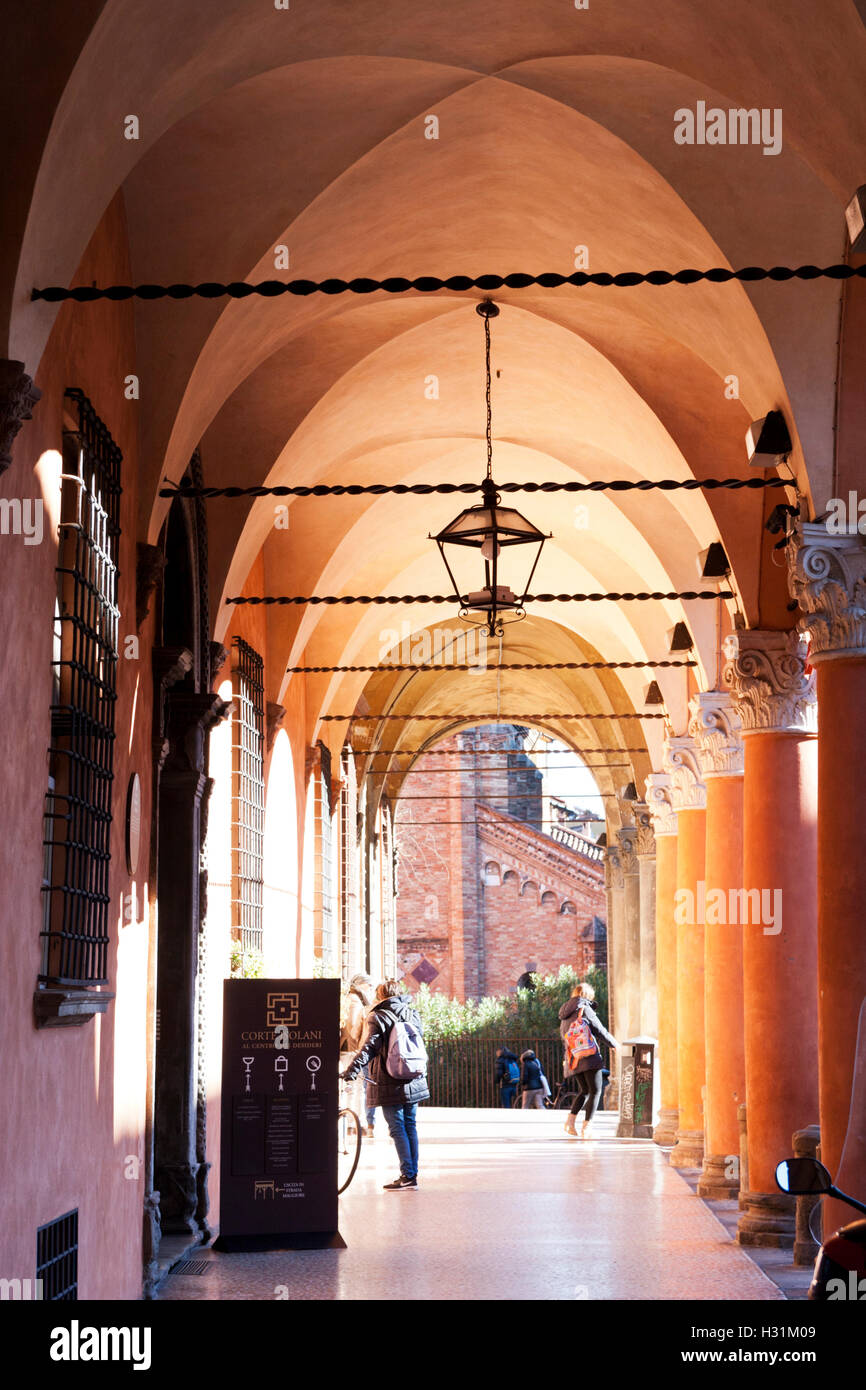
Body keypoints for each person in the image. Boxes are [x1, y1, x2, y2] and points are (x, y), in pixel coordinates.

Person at [340, 978, 429, 1190]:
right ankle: (411, 1174)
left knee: (397, 1128)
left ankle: (407, 1175)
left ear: (381, 996)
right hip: (413, 1076)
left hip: (390, 1080)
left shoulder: (378, 1016)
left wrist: (351, 1070)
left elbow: (369, 1047)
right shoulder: (412, 1013)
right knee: (410, 1126)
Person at [559, 981, 618, 1139]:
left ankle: (570, 1123)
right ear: (587, 996)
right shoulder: (585, 1008)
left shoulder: (565, 1014)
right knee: (596, 1090)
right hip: (589, 1056)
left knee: (585, 1091)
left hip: (575, 1058)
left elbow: (564, 1037)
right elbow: (600, 1030)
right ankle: (587, 1128)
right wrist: (615, 1045)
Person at [340, 972, 376, 1136]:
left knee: (351, 1087)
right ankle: (353, 1123)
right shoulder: (355, 1000)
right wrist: (357, 1048)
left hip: (349, 1049)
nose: (370, 989)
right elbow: (353, 1026)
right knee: (354, 1088)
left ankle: (350, 1122)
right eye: (369, 986)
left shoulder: (351, 998)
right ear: (361, 984)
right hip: (351, 1050)